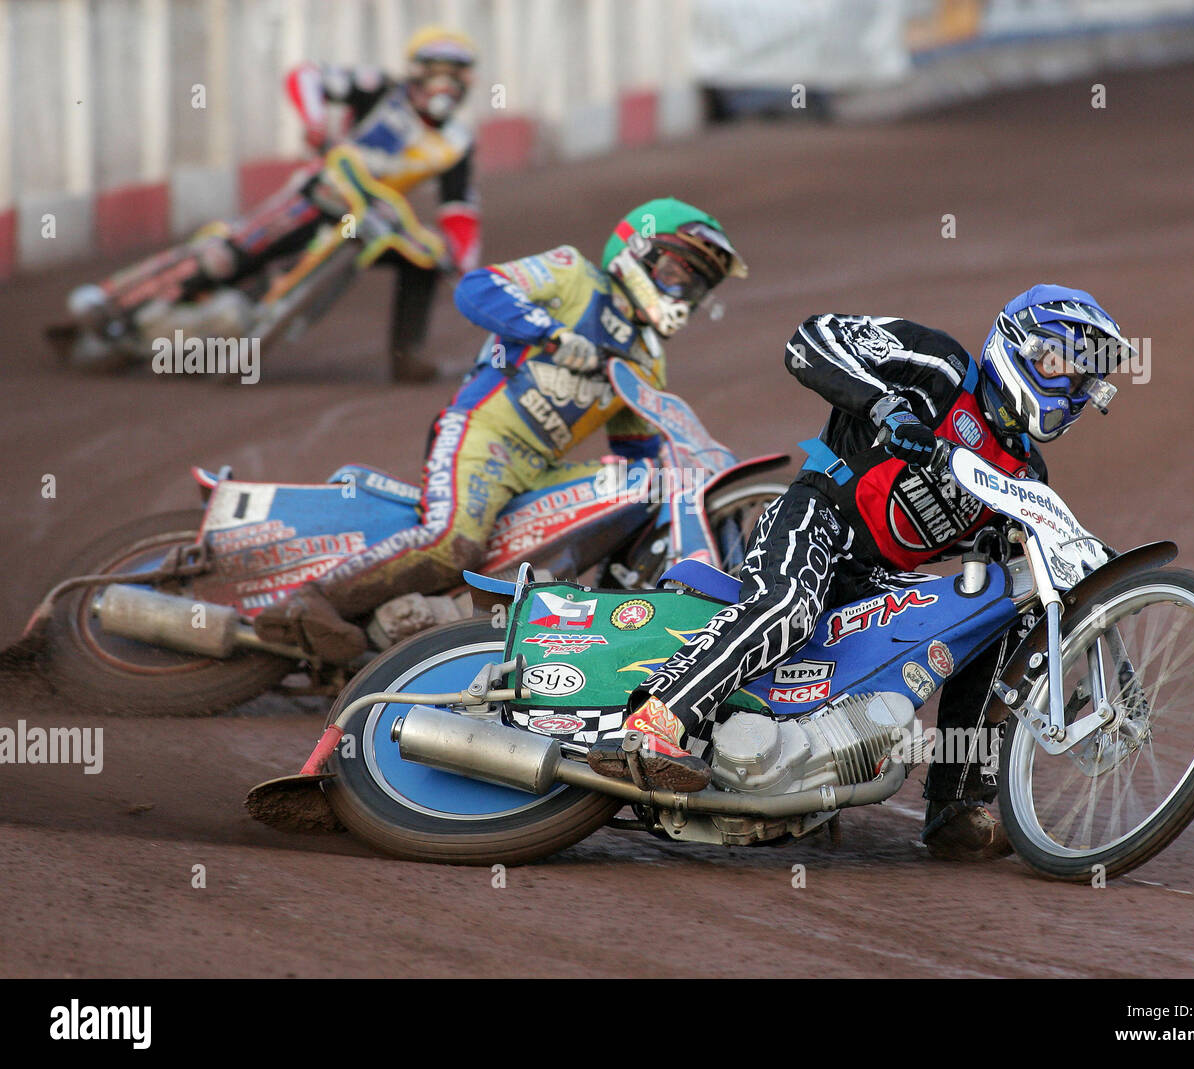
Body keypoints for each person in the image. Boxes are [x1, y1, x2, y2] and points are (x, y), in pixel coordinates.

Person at [586, 284, 1132, 861]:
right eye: (1062, 364)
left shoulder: (1026, 471)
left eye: (1081, 380)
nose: (1069, 387)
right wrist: (883, 406)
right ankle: (655, 721)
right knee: (789, 608)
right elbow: (811, 340)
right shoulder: (939, 367)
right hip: (818, 516)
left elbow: (1009, 556)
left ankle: (956, 802)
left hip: (878, 579)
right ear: (1021, 344)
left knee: (1000, 611)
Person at [254, 197, 748, 659]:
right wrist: (552, 334)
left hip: (538, 468)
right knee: (454, 542)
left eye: (697, 285)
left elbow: (636, 452)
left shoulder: (646, 359)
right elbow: (478, 288)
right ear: (638, 251)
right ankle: (310, 599)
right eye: (675, 272)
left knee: (633, 494)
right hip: (481, 432)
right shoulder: (574, 275)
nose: (684, 293)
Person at [84, 25, 481, 381]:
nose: (442, 85)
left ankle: (406, 355)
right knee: (231, 256)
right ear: (415, 71)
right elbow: (304, 75)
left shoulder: (457, 142)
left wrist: (462, 267)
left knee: (424, 258)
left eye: (454, 74)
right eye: (435, 71)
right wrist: (315, 123)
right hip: (320, 194)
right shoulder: (379, 88)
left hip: (368, 222)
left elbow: (459, 208)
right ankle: (124, 308)